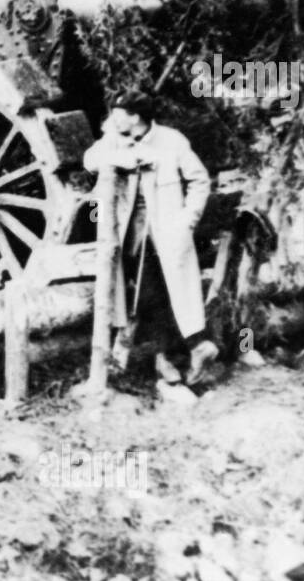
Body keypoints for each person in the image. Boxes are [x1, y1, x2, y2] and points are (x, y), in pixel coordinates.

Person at [83, 91, 218, 385]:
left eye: (119, 113)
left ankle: (169, 358)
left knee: (160, 294)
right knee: (148, 294)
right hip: (132, 232)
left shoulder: (172, 141)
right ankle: (192, 348)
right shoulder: (114, 138)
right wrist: (123, 157)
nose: (113, 119)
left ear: (136, 117)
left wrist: (186, 221)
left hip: (167, 231)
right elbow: (89, 160)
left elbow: (200, 180)